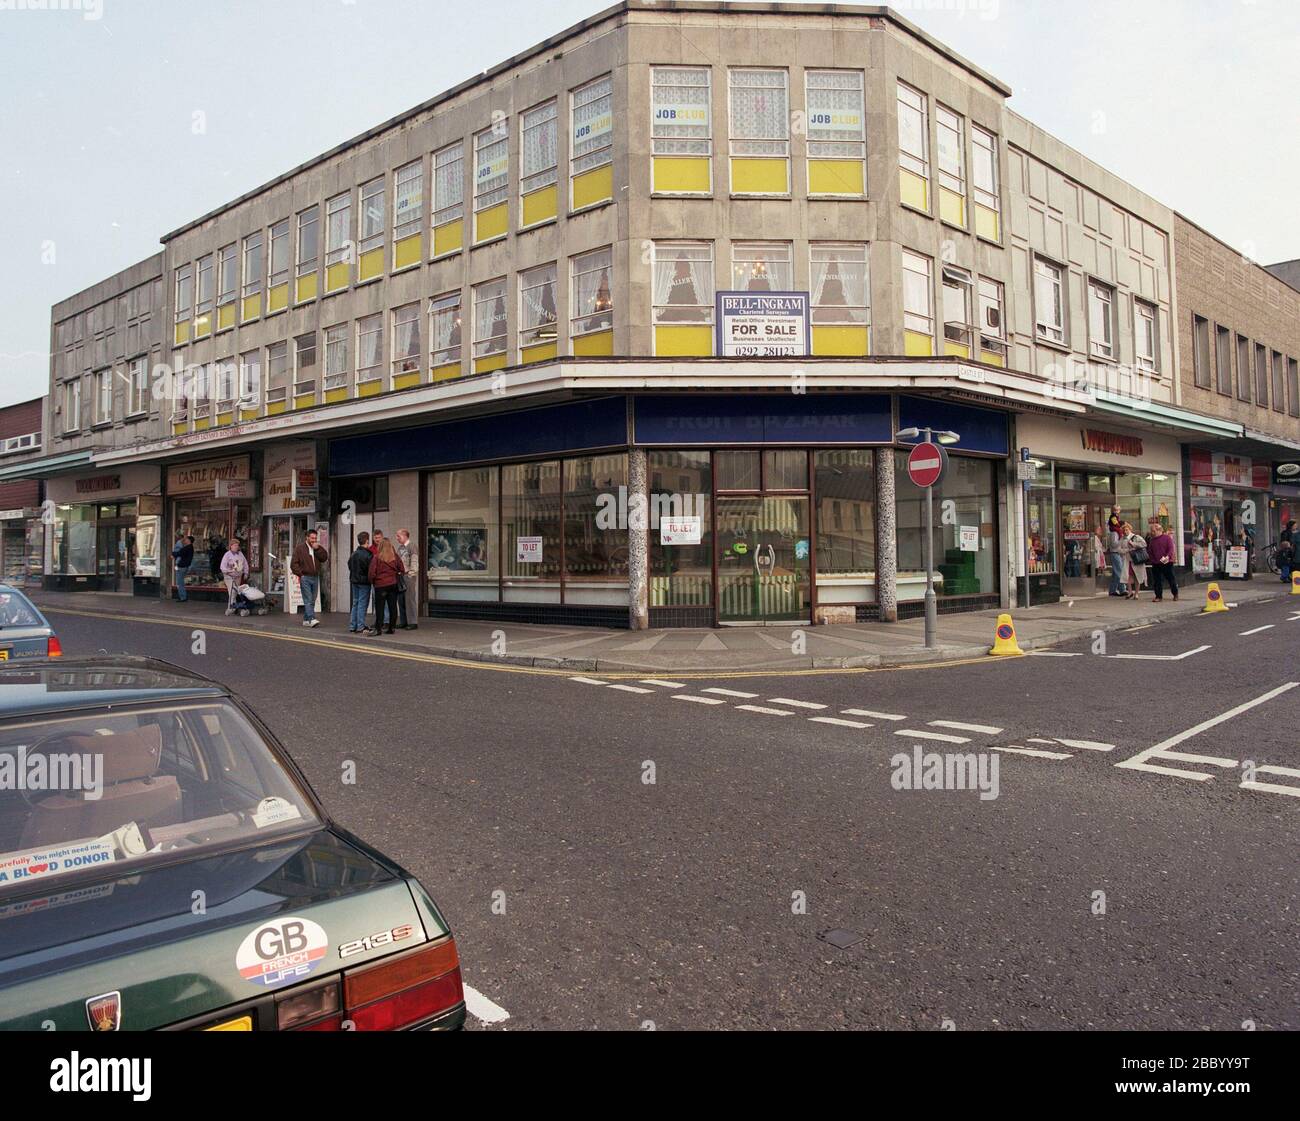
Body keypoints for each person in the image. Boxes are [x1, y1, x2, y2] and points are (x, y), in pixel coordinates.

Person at [291, 529, 329, 628]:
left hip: (315, 577)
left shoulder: (317, 547)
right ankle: (311, 618)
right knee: (307, 599)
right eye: (312, 538)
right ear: (307, 537)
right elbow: (293, 564)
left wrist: (318, 549)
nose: (314, 540)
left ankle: (306, 620)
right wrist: (301, 575)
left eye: (315, 538)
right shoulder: (300, 549)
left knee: (312, 599)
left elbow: (324, 558)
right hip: (305, 577)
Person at [368, 536, 406, 635]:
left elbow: (372, 572)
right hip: (393, 584)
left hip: (380, 585)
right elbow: (402, 569)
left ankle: (378, 629)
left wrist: (373, 581)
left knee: (380, 608)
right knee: (392, 606)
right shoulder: (395, 556)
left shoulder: (377, 557)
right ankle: (392, 627)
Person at [348, 531, 376, 635]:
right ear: (367, 541)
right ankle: (360, 626)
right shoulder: (368, 554)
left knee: (355, 603)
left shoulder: (354, 554)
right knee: (362, 604)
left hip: (354, 580)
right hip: (364, 582)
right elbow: (371, 569)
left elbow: (349, 565)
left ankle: (352, 626)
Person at [1146, 518, 1179, 601]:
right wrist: (1153, 560)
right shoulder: (1152, 540)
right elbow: (1150, 551)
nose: (1152, 533)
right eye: (1151, 531)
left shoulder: (1167, 538)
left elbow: (1171, 549)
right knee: (1157, 581)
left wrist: (1167, 557)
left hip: (1167, 562)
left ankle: (1175, 594)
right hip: (1156, 563)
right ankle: (1158, 596)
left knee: (1171, 579)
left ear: (1159, 530)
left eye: (1153, 531)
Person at [395, 528, 419, 630]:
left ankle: (413, 622)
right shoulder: (400, 548)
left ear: (405, 536)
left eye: (398, 536)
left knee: (409, 599)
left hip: (409, 575)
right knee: (401, 599)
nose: (397, 538)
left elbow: (414, 560)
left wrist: (411, 573)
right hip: (400, 575)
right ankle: (403, 621)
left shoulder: (412, 546)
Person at [219, 539, 250, 615]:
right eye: (235, 545)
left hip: (238, 576)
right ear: (231, 546)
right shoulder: (227, 555)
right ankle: (230, 608)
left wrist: (246, 573)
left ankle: (234, 607)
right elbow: (222, 566)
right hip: (229, 576)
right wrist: (228, 571)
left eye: (237, 545)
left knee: (236, 592)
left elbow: (245, 563)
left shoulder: (240, 554)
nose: (237, 547)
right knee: (232, 592)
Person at [1122, 521, 1147, 601]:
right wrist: (1125, 550)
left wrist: (1134, 544)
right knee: (1128, 577)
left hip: (1137, 559)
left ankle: (1136, 593)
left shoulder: (1136, 537)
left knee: (1137, 576)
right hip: (1128, 560)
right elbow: (1118, 549)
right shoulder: (1122, 539)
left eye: (1127, 530)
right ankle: (1130, 592)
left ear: (1130, 529)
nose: (1125, 532)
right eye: (1124, 530)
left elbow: (1144, 544)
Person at [172, 534, 194, 602]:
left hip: (182, 566)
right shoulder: (190, 547)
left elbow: (179, 553)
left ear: (189, 540)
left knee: (180, 582)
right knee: (180, 582)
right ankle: (183, 596)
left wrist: (172, 554)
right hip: (184, 566)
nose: (185, 540)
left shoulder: (188, 547)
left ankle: (183, 597)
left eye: (187, 539)